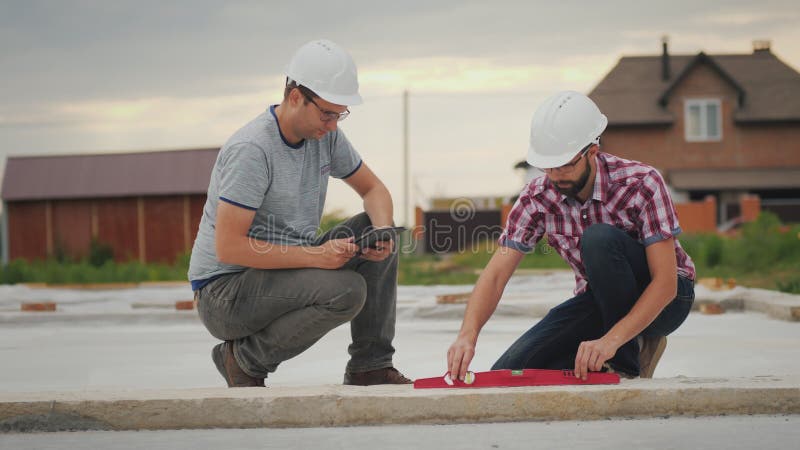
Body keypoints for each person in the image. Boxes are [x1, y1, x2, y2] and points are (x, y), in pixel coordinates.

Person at [188, 39, 411, 387]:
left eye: (340, 115)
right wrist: (317, 256)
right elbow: (229, 247)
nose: (333, 125)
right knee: (347, 290)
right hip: (226, 292)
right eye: (327, 114)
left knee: (374, 226)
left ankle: (371, 366)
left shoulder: (326, 137)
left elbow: (374, 190)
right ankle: (243, 360)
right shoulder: (252, 150)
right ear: (295, 97)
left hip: (285, 269)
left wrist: (381, 233)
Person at [447, 91, 696, 382]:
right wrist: (467, 335)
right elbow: (495, 276)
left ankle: (628, 356)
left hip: (668, 300)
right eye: (548, 166)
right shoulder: (537, 197)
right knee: (511, 373)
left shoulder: (641, 183)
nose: (556, 175)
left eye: (566, 164)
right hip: (600, 299)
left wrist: (612, 341)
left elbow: (665, 284)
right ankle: (614, 351)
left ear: (592, 151)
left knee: (599, 239)